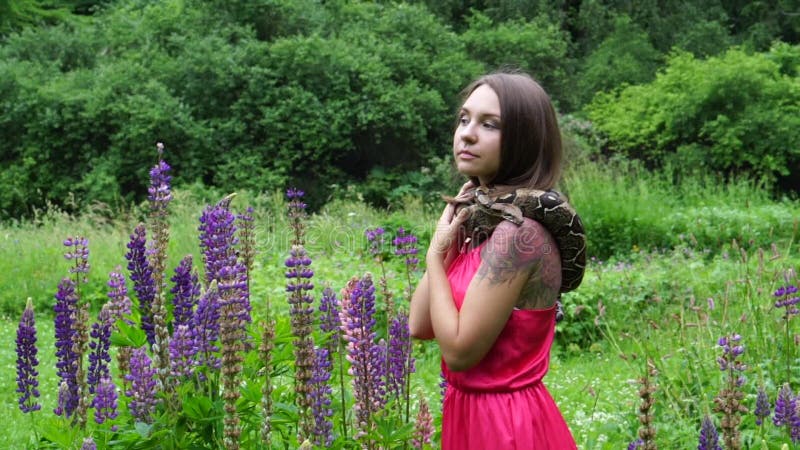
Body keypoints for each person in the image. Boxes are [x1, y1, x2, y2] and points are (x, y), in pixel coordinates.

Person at [409, 71, 584, 449]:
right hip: (468, 417)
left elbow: (458, 352)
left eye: (490, 125)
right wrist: (447, 245)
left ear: (524, 140)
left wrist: (435, 259)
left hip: (506, 427)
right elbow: (420, 325)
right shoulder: (482, 220)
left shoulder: (518, 233)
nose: (467, 133)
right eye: (463, 119)